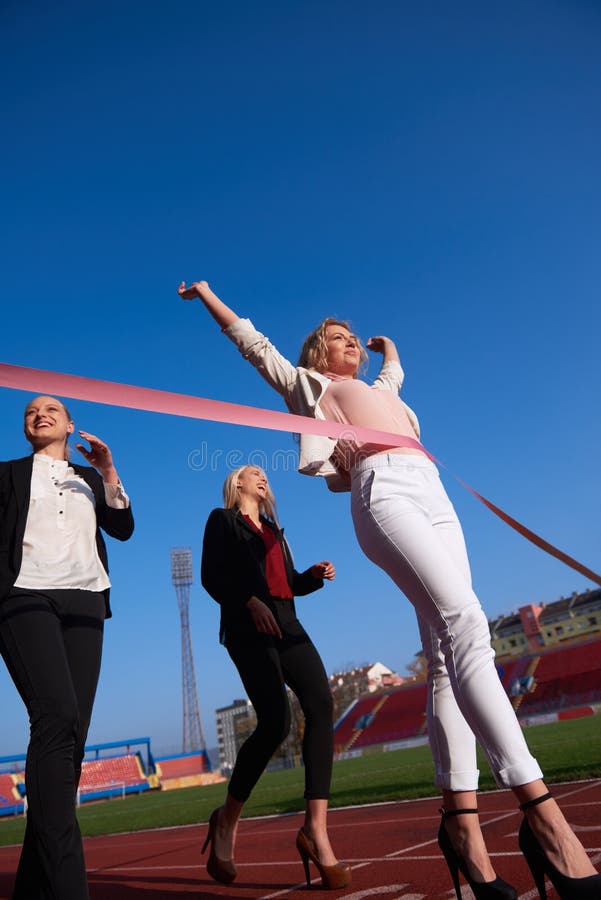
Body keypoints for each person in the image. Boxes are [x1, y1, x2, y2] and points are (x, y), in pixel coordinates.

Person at [180, 278, 600, 900]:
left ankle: (465, 836)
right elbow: (257, 347)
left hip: (434, 493)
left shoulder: (377, 388)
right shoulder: (315, 388)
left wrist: (391, 353)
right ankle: (545, 817)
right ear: (317, 355)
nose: (349, 341)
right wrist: (214, 298)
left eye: (354, 337)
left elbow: (393, 382)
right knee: (467, 626)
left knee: (442, 660)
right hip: (385, 490)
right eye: (336, 337)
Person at [0, 396, 134, 900]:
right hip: (23, 596)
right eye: (31, 411)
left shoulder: (92, 479)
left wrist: (108, 469)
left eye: (52, 408)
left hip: (86, 600)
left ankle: (32, 887)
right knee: (54, 716)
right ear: (25, 428)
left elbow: (122, 528)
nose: (40, 413)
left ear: (70, 425)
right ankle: (68, 887)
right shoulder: (7, 474)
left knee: (72, 736)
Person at [200, 464, 351, 890]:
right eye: (253, 472)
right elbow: (212, 576)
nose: (263, 476)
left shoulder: (273, 528)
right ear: (238, 484)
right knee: (276, 723)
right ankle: (227, 820)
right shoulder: (222, 520)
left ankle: (315, 831)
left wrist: (313, 577)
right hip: (248, 625)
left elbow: (289, 585)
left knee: (321, 702)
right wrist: (249, 601)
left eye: (266, 473)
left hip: (287, 622)